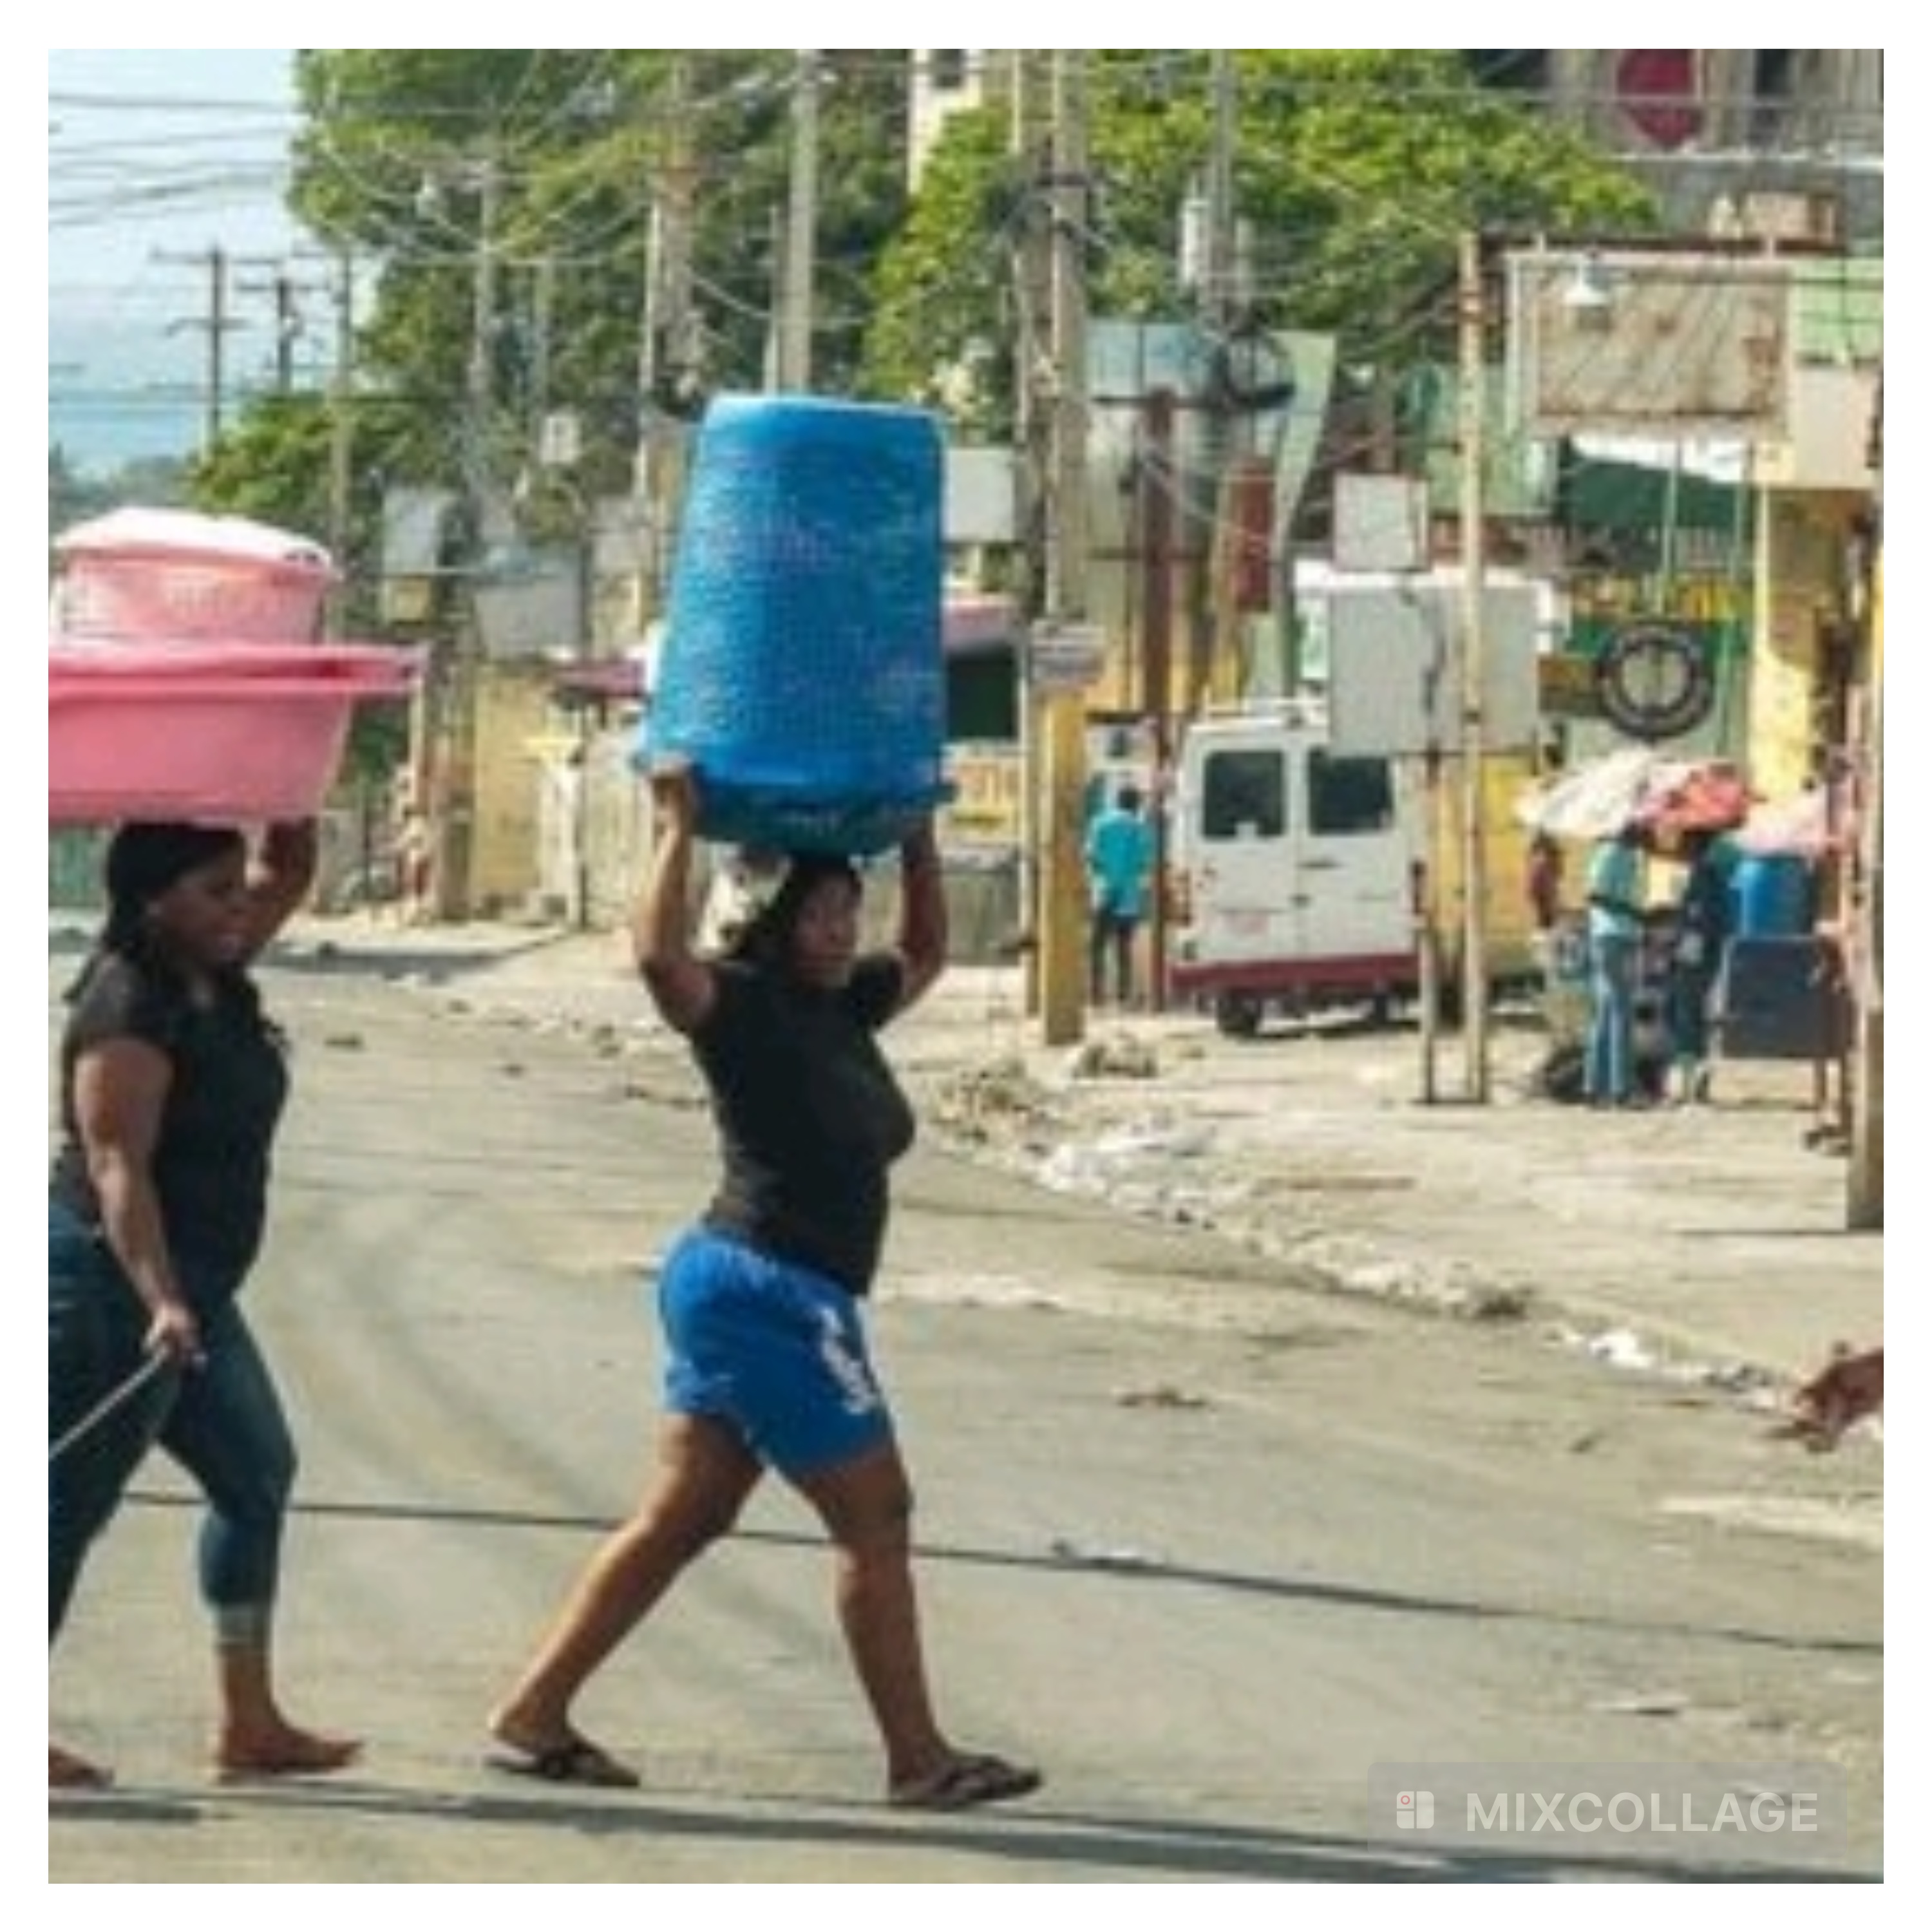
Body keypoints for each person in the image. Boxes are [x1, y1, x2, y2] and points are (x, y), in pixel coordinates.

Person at [485, 759, 1041, 1812]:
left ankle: (533, 1714)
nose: (837, 932)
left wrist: (917, 836)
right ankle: (918, 1761)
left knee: (682, 1518)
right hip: (764, 1289)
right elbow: (656, 958)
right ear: (772, 921)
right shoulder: (743, 1005)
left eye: (846, 910)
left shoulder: (847, 1008)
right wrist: (678, 828)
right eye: (817, 914)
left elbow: (925, 951)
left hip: (757, 1291)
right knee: (877, 1519)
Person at [49, 820, 361, 1792]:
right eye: (217, 891)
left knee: (255, 1475)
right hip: (114, 1287)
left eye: (238, 890)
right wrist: (161, 1300)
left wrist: (285, 779)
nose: (242, 908)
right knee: (61, 1508)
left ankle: (248, 1723)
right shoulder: (129, 1003)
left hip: (193, 1293)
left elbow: (290, 866)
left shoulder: (208, 970)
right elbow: (115, 1169)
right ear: (154, 900)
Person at [1661, 827, 1732, 1104]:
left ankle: (1689, 1086)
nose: (1676, 848)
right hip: (1704, 952)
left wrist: (1675, 945)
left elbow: (1696, 921)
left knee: (1685, 1017)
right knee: (1694, 1018)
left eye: (1682, 843)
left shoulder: (1701, 875)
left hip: (1694, 953)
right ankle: (1697, 1081)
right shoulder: (1712, 874)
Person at [1581, 819, 1649, 1108]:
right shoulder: (1609, 852)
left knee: (1609, 1012)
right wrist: (1634, 912)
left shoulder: (1632, 855)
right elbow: (1596, 895)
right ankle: (1622, 1088)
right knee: (1620, 1012)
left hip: (1624, 935)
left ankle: (1595, 1087)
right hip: (1611, 937)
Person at [1084, 781, 1155, 1006]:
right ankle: (1122, 996)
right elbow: (1145, 863)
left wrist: (1103, 877)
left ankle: (1096, 995)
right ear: (1135, 804)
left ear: (1117, 801)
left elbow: (1091, 858)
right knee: (1123, 948)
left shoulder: (1099, 823)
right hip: (1128, 898)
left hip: (1103, 893)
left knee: (1097, 946)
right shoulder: (1139, 827)